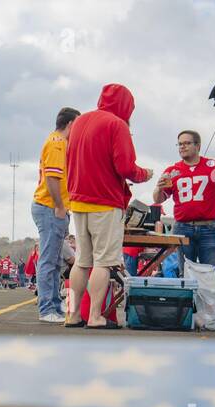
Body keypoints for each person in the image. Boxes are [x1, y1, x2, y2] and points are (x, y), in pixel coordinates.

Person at [65, 83, 152, 328]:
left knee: (82, 261)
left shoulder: (80, 121)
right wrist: (145, 174)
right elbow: (126, 167)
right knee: (103, 262)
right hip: (105, 202)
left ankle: (72, 315)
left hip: (78, 201)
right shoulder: (117, 125)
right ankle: (95, 316)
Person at [153, 129, 215, 267]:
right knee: (185, 272)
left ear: (197, 146)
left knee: (209, 271)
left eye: (186, 143)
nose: (182, 147)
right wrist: (159, 187)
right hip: (182, 227)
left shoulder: (214, 166)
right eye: (179, 144)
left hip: (208, 226)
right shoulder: (172, 171)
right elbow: (158, 199)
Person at [31, 106, 80, 323]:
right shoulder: (57, 143)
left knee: (55, 261)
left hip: (52, 207)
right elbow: (52, 177)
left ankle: (53, 305)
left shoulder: (59, 143)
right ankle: (47, 308)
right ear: (71, 124)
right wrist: (60, 206)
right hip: (50, 207)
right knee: (49, 261)